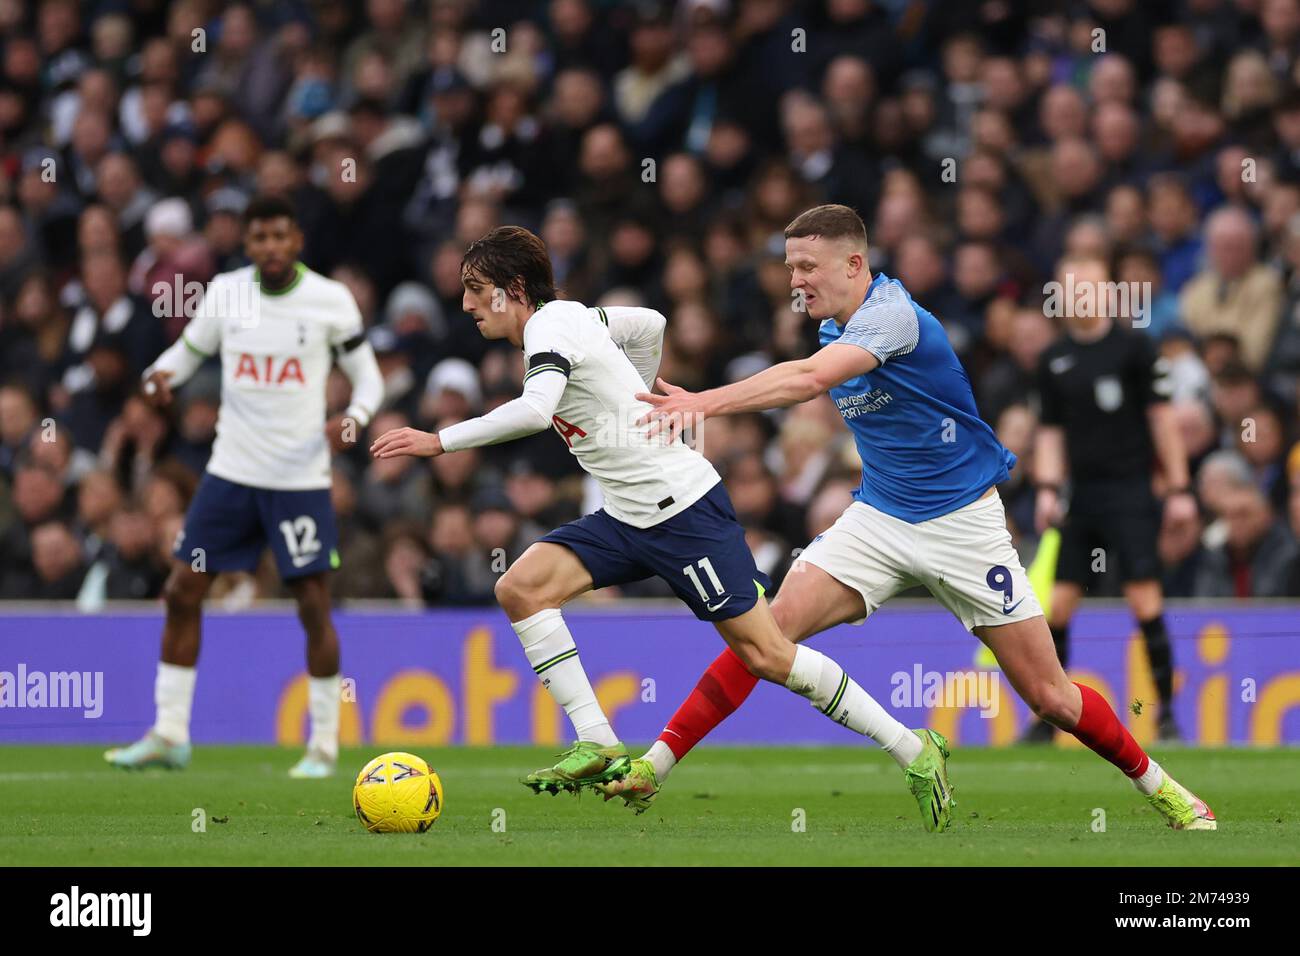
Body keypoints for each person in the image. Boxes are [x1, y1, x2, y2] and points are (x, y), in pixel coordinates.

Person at [608, 204, 1216, 832]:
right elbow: (810, 372)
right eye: (790, 268)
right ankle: (656, 763)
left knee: (1051, 696)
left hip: (964, 525)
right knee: (762, 635)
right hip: (879, 519)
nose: (795, 281)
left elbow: (811, 379)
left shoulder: (893, 316)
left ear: (854, 262)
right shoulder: (831, 329)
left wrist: (703, 402)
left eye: (807, 266)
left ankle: (1165, 789)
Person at [370, 225, 958, 831]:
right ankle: (597, 739)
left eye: (477, 290)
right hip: (628, 514)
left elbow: (536, 409)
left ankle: (914, 749)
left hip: (682, 512)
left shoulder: (550, 327)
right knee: (520, 587)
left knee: (768, 655)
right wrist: (640, 392)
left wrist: (438, 440)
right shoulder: (573, 317)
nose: (466, 305)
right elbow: (649, 323)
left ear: (513, 290)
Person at [103, 195, 383, 778]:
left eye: (281, 236)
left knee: (311, 604)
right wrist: (160, 376)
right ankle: (170, 735)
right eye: (261, 238)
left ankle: (325, 746)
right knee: (183, 590)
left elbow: (368, 377)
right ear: (248, 243)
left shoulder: (330, 300)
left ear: (296, 240)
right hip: (230, 472)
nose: (272, 247)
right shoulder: (227, 292)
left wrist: (354, 416)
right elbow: (188, 351)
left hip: (299, 478)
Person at [1029, 255, 1195, 742]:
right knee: (1058, 606)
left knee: (1144, 598)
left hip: (1130, 493)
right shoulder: (1053, 360)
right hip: (1083, 498)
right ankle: (1050, 717)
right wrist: (1046, 488)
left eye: (1088, 289)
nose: (1079, 299)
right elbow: (1050, 432)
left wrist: (1180, 488)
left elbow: (1162, 420)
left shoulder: (1135, 349)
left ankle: (1166, 715)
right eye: (1070, 290)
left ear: (1106, 293)